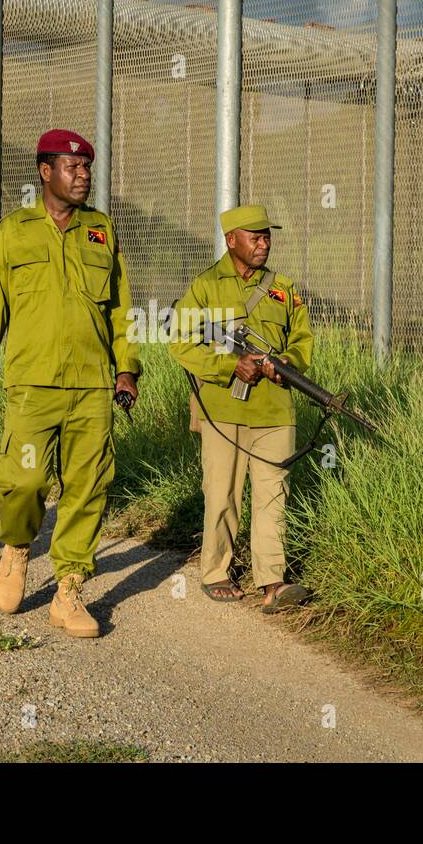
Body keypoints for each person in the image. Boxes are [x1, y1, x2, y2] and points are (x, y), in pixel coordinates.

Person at [0, 129, 140, 639]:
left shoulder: (101, 231)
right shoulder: (14, 231)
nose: (83, 176)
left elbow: (120, 309)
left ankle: (69, 588)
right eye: (72, 167)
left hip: (91, 385)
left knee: (88, 486)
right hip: (31, 382)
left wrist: (126, 366)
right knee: (25, 481)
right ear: (46, 172)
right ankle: (17, 546)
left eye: (87, 168)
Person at [168, 205, 313, 612]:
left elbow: (302, 341)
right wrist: (232, 364)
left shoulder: (284, 289)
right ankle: (215, 571)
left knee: (273, 496)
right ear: (231, 240)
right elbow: (181, 344)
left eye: (267, 236)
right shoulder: (204, 288)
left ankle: (273, 582)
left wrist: (288, 363)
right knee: (222, 493)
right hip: (223, 410)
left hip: (274, 411)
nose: (264, 243)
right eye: (255, 236)